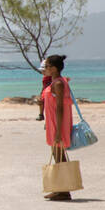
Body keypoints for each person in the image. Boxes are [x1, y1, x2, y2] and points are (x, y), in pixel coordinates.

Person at [41, 54, 74, 201]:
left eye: (47, 66)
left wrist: (59, 131)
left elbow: (60, 107)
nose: (45, 69)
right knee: (57, 155)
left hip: (58, 123)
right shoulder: (55, 81)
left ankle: (64, 190)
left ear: (54, 68)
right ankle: (61, 188)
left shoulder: (58, 83)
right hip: (53, 123)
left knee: (59, 155)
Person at [34, 57, 49, 121]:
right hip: (45, 91)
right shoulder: (45, 77)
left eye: (44, 71)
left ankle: (42, 115)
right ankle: (41, 114)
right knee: (40, 101)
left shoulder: (52, 77)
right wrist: (41, 93)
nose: (42, 72)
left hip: (49, 92)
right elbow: (44, 85)